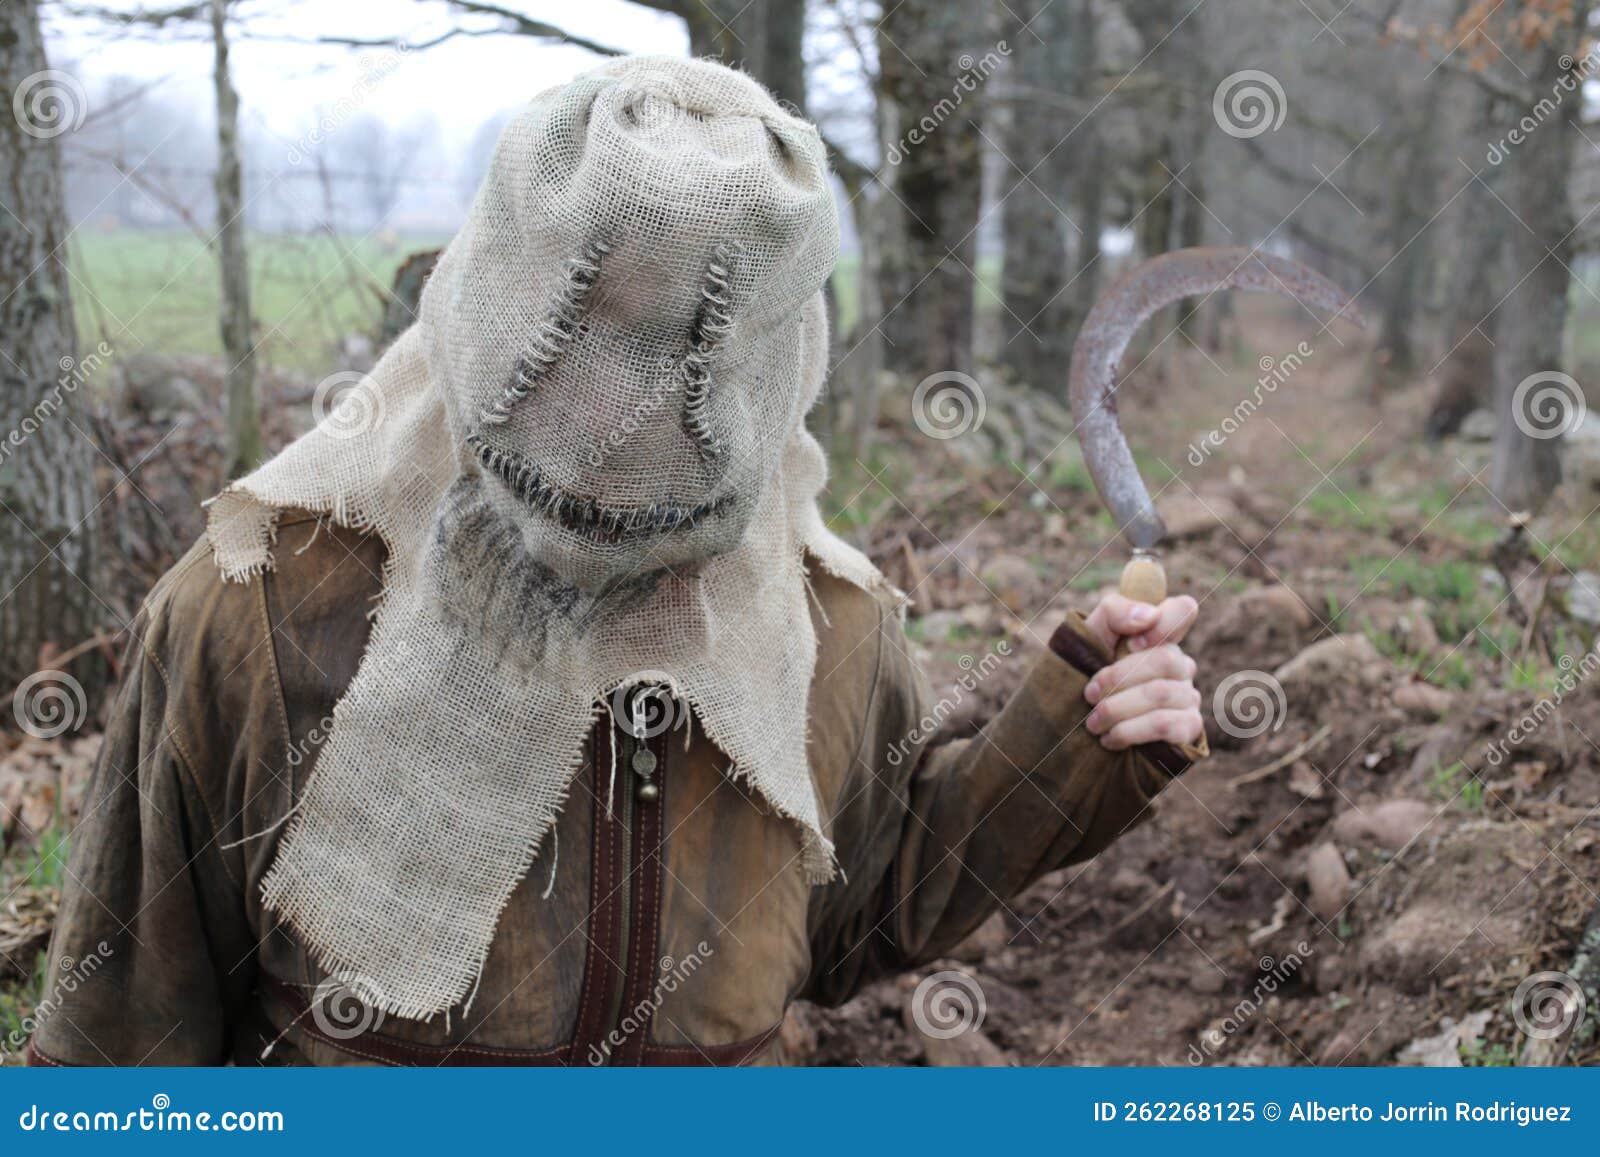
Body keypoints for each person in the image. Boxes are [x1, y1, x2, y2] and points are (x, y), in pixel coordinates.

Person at [31, 57, 1203, 1067]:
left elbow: (856, 917)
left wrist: (1073, 734)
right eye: (588, 335)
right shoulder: (262, 603)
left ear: (767, 358)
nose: (622, 410)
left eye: (683, 354)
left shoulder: (817, 622)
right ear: (497, 296)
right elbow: (119, 1046)